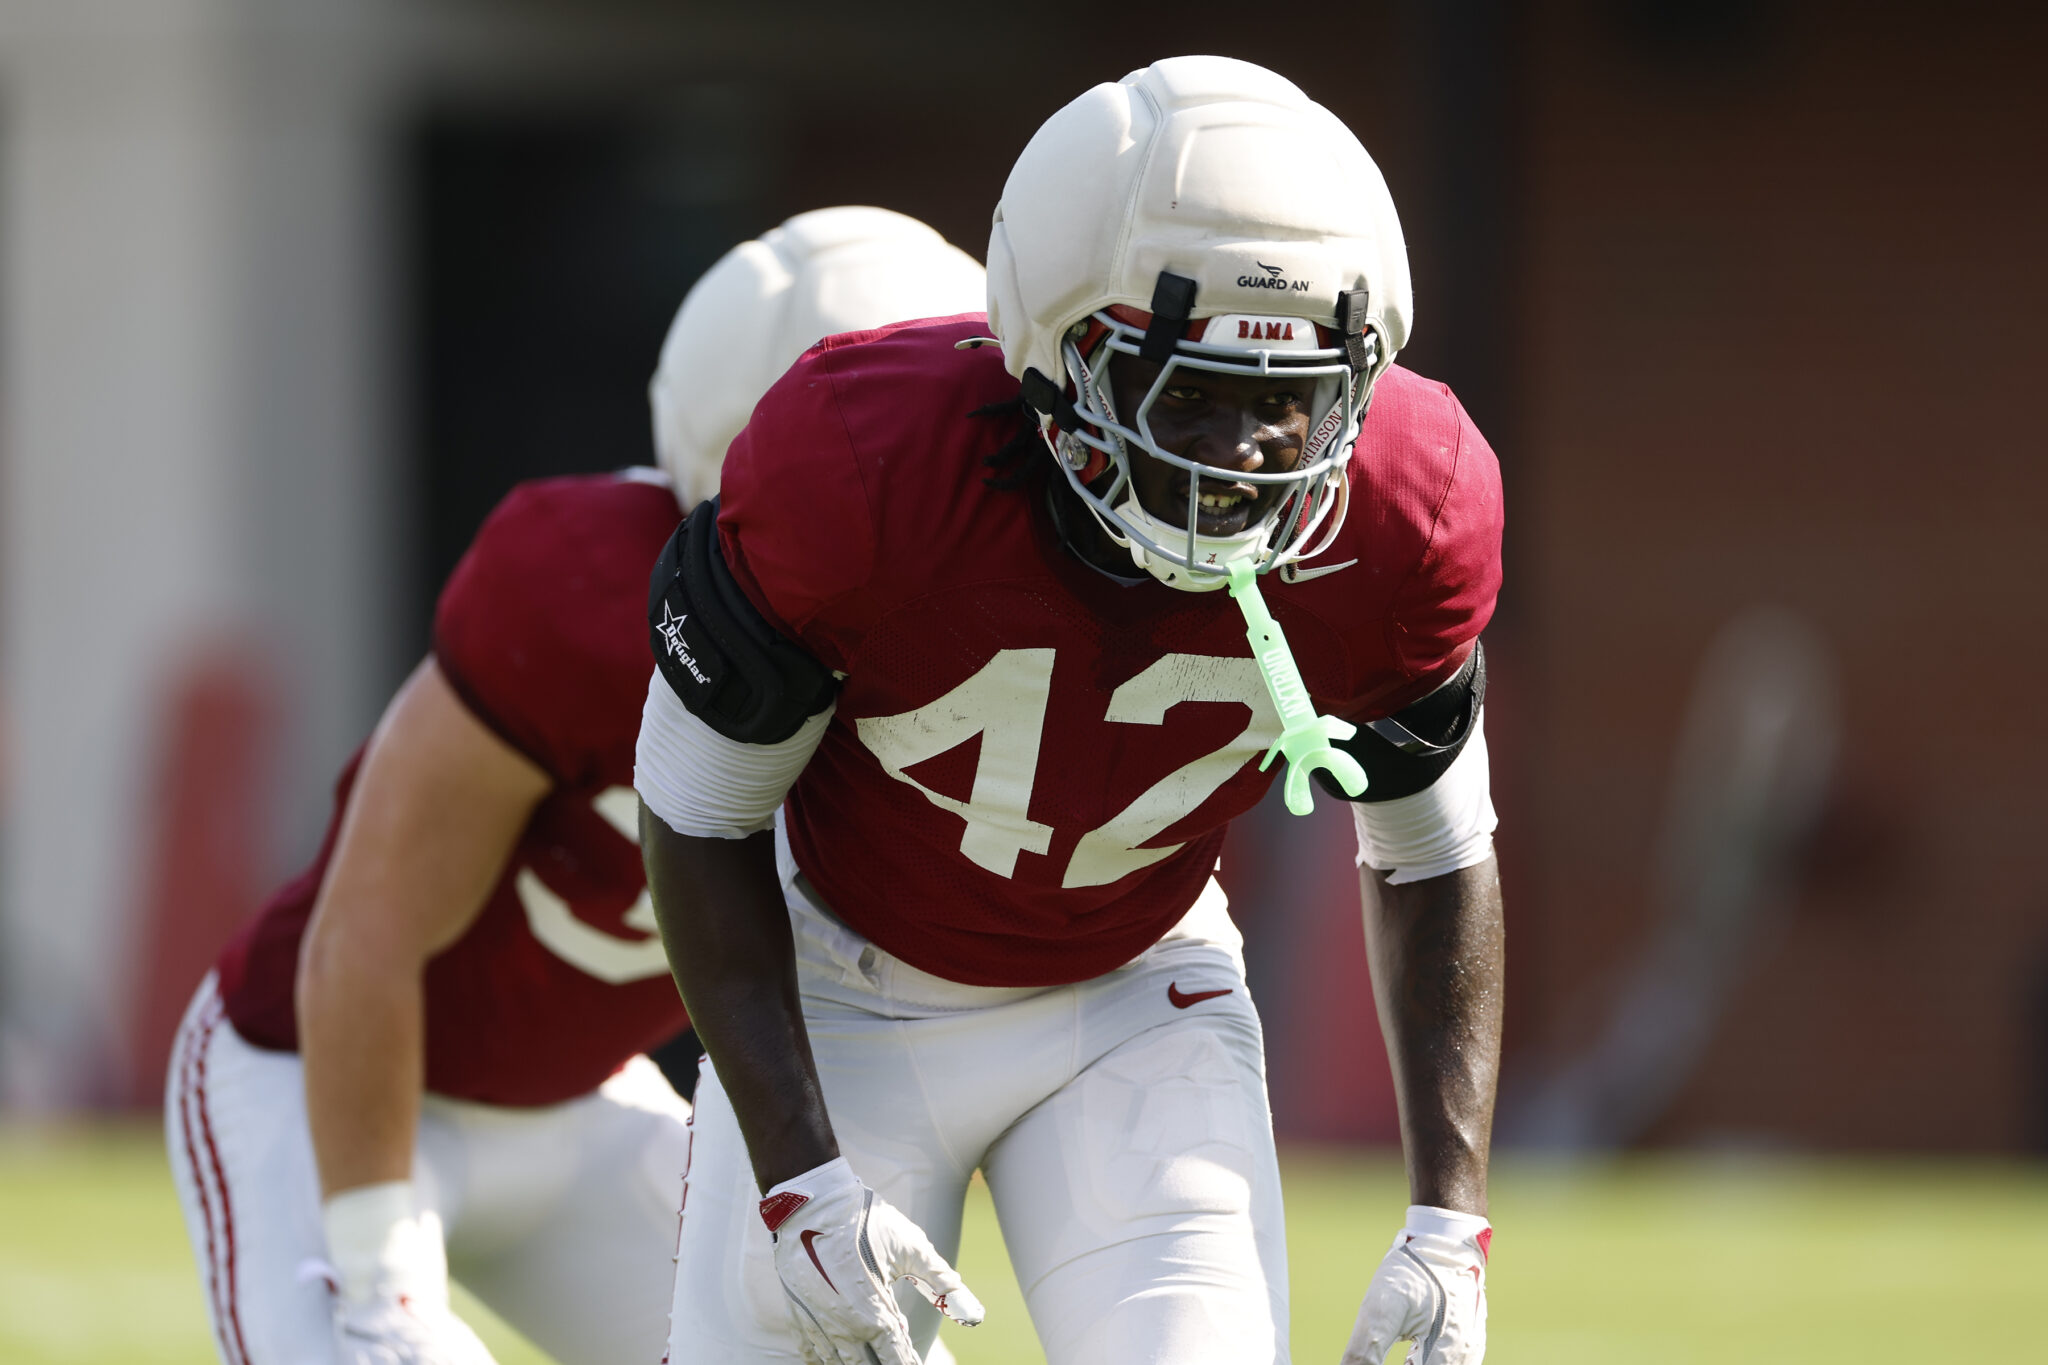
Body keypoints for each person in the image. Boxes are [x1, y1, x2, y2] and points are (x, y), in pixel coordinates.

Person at [637, 56, 1505, 1365]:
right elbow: (698, 811)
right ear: (1059, 352)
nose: (1248, 453)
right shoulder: (870, 462)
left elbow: (1435, 848)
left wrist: (1452, 1216)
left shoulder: (1405, 507)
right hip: (844, 985)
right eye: (1195, 393)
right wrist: (798, 1172)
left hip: (1136, 990)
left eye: (1287, 397)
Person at [164, 207, 987, 1365]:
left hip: (579, 1094)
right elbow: (367, 932)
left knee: (850, 1349)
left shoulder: (982, 659)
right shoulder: (589, 587)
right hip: (324, 1083)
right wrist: (376, 1272)